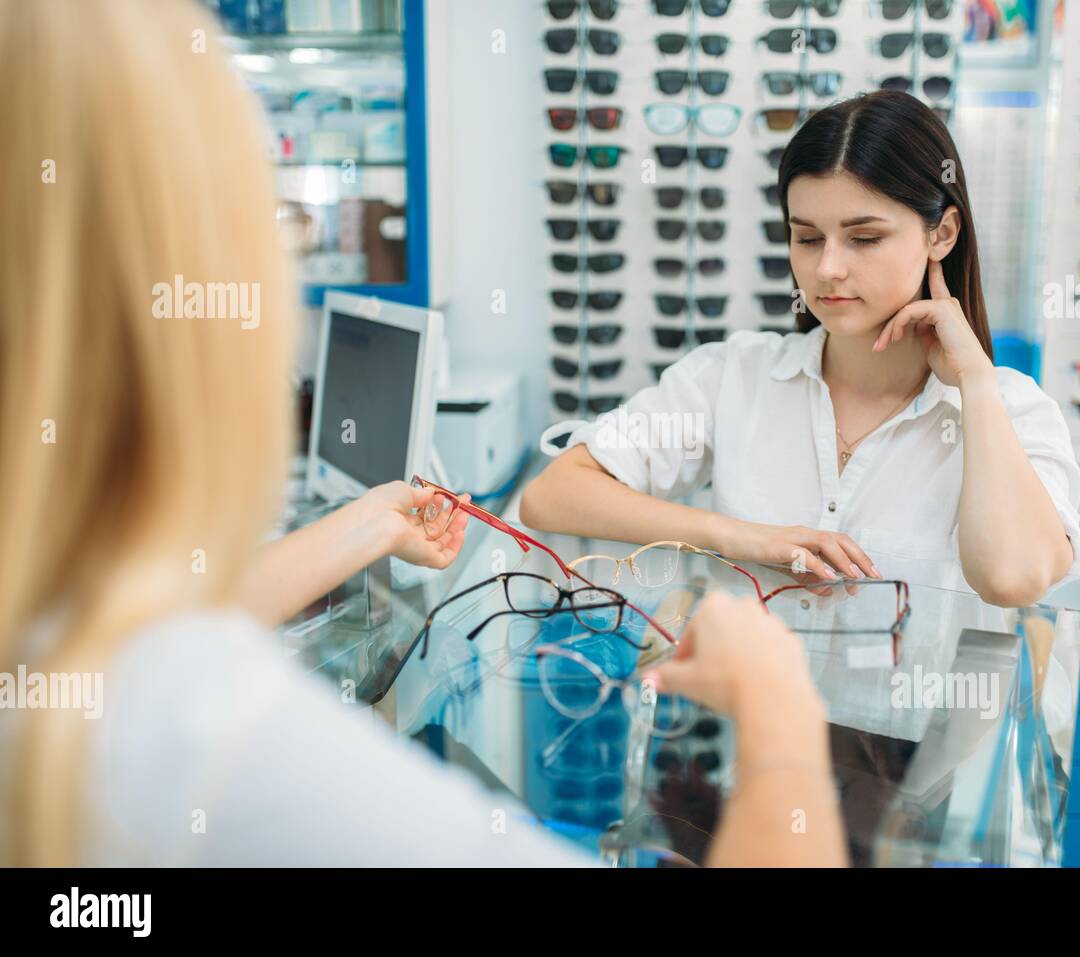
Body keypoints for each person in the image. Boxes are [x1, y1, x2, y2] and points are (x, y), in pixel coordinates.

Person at [0, 0, 845, 868]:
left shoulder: (57, 649)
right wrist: (783, 721)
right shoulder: (205, 743)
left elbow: (147, 633)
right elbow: (555, 492)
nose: (831, 268)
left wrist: (365, 524)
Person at [522, 90, 1080, 607]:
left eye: (864, 237)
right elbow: (553, 496)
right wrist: (739, 536)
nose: (827, 268)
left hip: (923, 734)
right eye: (806, 237)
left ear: (943, 234)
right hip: (764, 726)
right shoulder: (734, 376)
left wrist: (978, 387)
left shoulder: (1010, 409)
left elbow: (1012, 579)